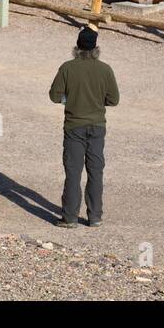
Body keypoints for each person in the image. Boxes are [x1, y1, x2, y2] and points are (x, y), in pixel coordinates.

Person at [49, 26, 118, 228]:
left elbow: (54, 96)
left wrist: (70, 99)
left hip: (74, 126)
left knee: (73, 172)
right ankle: (95, 216)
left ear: (77, 46)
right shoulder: (105, 69)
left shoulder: (67, 68)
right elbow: (113, 100)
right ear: (96, 47)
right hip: (97, 126)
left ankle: (70, 217)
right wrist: (96, 101)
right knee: (96, 171)